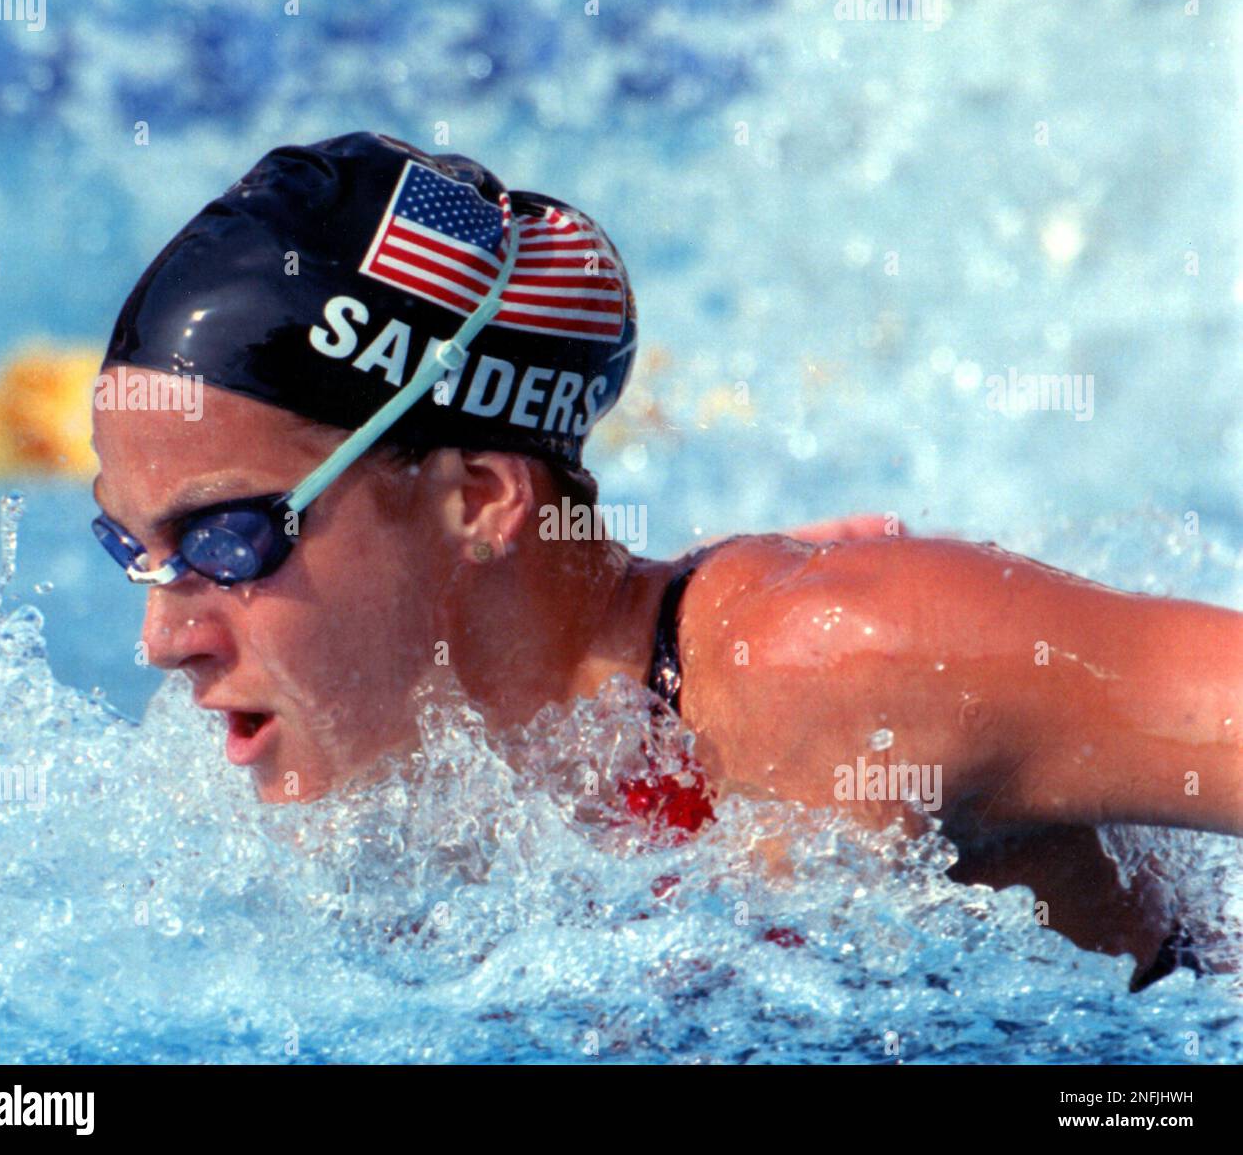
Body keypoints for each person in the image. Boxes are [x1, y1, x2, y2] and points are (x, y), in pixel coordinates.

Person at [90, 132, 1242, 991]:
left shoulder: (836, 668)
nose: (163, 636)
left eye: (226, 539)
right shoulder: (401, 797)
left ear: (477, 503)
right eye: (129, 548)